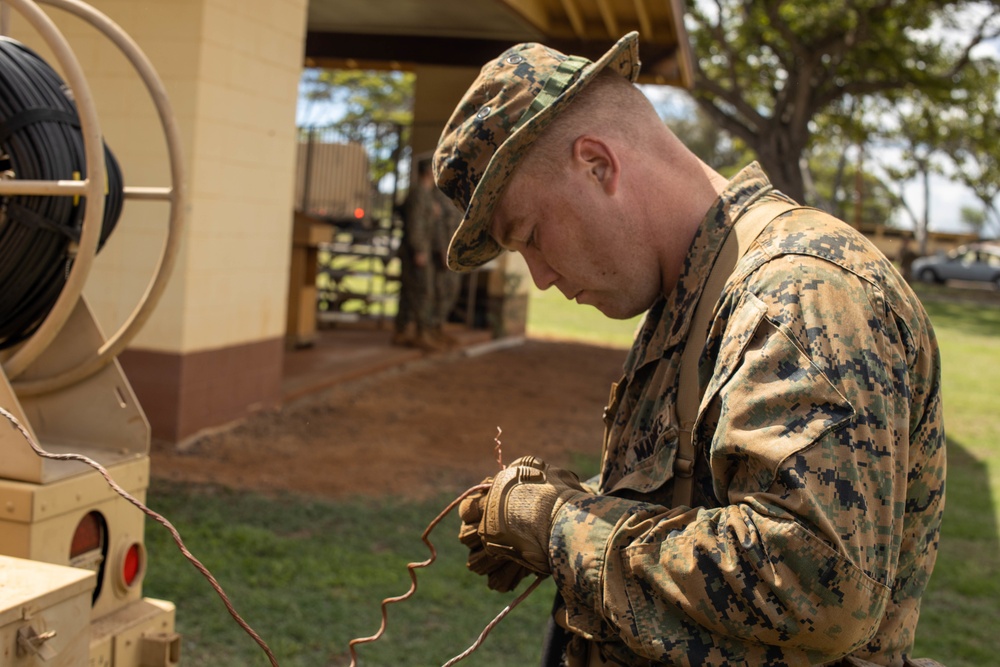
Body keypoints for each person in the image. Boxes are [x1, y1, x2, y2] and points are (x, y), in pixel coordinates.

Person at [432, 32, 946, 667]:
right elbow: (707, 492)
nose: (539, 276)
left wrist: (559, 525)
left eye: (532, 235)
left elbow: (814, 585)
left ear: (598, 164)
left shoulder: (799, 292)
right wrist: (586, 499)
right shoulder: (691, 296)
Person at [393, 155, 443, 351]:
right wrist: (419, 250)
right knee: (422, 290)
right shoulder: (419, 194)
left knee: (411, 291)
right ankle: (419, 333)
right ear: (429, 171)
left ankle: (404, 330)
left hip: (421, 249)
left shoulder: (427, 194)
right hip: (416, 251)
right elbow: (416, 224)